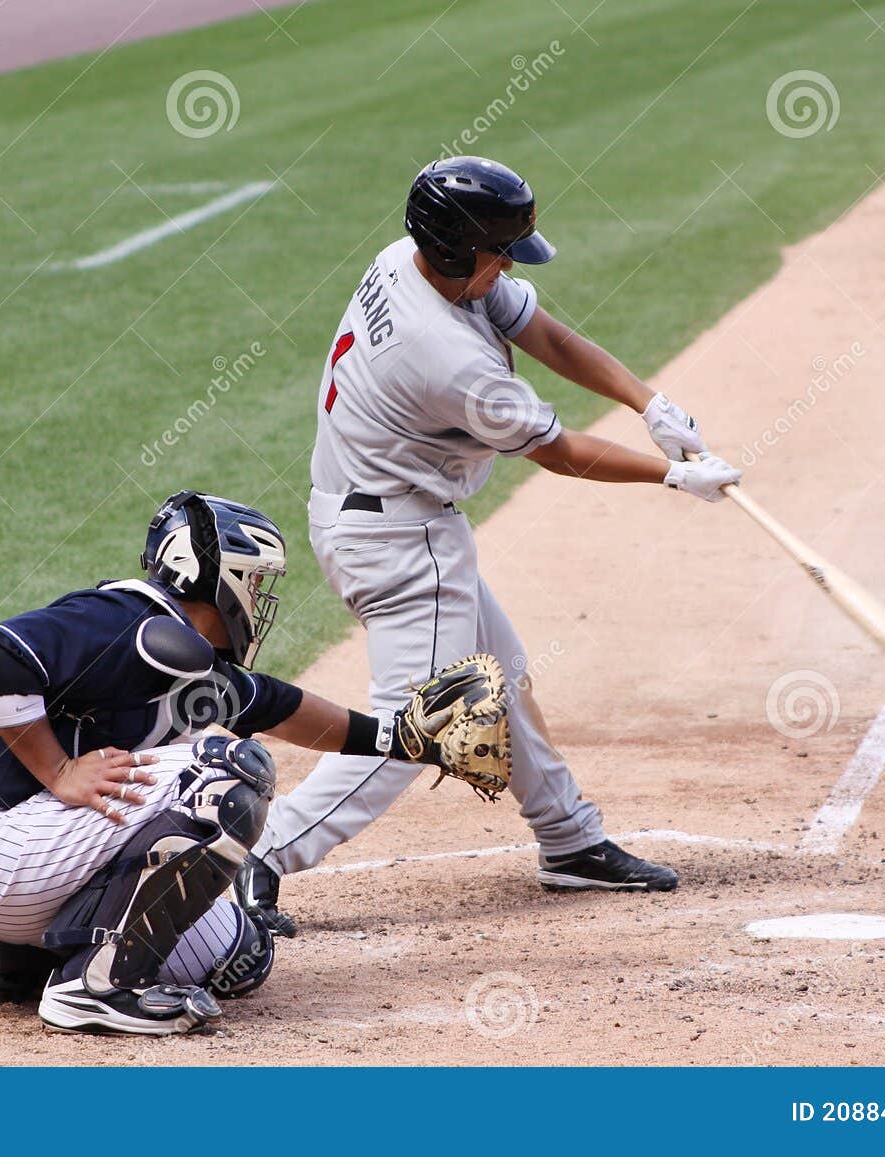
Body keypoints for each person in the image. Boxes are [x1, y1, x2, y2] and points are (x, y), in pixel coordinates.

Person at [236, 156, 744, 937]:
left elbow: (544, 333)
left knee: (500, 676)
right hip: (400, 540)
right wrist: (673, 476)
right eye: (498, 252)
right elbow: (562, 454)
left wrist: (652, 404)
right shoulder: (447, 358)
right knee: (422, 726)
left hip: (378, 511)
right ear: (454, 251)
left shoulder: (404, 261)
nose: (506, 265)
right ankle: (254, 858)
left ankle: (569, 839)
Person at [0, 490, 493, 1036]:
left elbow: (277, 705)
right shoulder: (129, 618)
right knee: (230, 776)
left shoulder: (187, 657)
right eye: (256, 581)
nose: (260, 599)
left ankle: (10, 949)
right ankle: (97, 986)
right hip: (0, 843)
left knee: (242, 958)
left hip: (37, 869)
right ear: (217, 577)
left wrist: (405, 737)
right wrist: (59, 771)